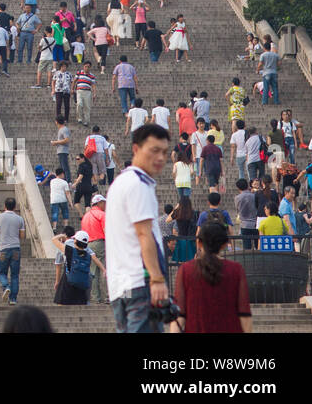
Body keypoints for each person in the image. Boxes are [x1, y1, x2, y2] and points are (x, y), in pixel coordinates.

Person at [105, 123, 171, 333]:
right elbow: (144, 234)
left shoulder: (120, 183)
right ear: (136, 149)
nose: (160, 158)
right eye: (154, 150)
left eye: (164, 152)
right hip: (140, 281)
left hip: (121, 286)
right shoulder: (139, 185)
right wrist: (157, 278)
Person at [173, 222, 251, 333]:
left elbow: (179, 315)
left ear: (199, 243)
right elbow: (244, 314)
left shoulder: (186, 270)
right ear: (224, 244)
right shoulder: (236, 270)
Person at [0, 197, 25, 304]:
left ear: (5, 206)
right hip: (16, 248)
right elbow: (22, 235)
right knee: (15, 275)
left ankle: (6, 286)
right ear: (15, 207)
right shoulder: (20, 219)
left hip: (3, 248)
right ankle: (13, 299)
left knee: (2, 272)